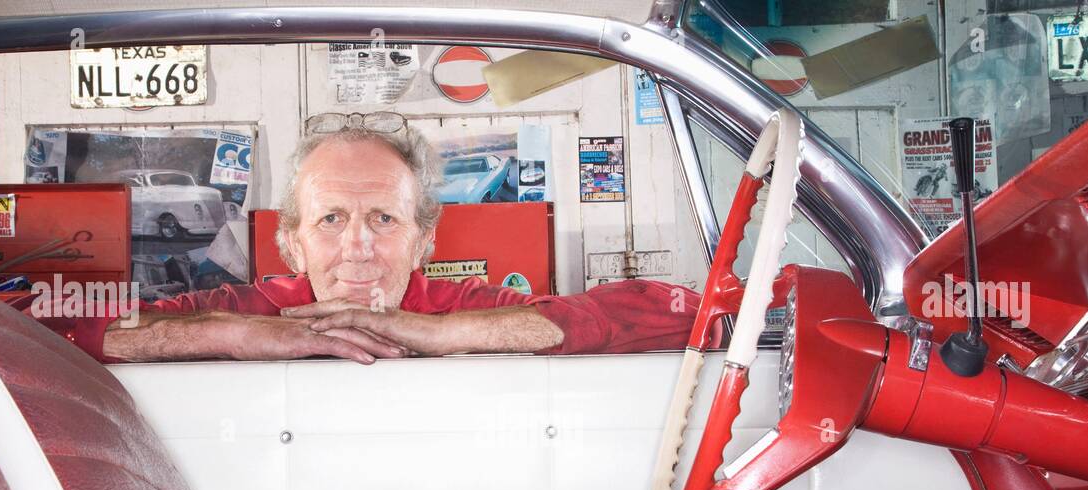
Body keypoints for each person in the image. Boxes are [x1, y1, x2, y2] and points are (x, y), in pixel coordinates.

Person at [69, 112, 711, 364]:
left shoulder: (465, 307)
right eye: (330, 220)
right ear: (289, 243)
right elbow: (39, 332)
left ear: (423, 240)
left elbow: (683, 316)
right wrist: (230, 336)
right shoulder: (241, 309)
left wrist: (443, 334)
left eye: (383, 218)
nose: (358, 247)